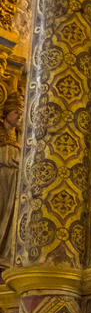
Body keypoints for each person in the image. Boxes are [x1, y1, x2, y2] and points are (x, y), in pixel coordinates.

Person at [0, 91, 21, 269]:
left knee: (11, 215)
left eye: (22, 114)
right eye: (16, 113)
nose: (19, 117)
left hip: (15, 180)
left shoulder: (21, 136)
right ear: (6, 113)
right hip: (1, 178)